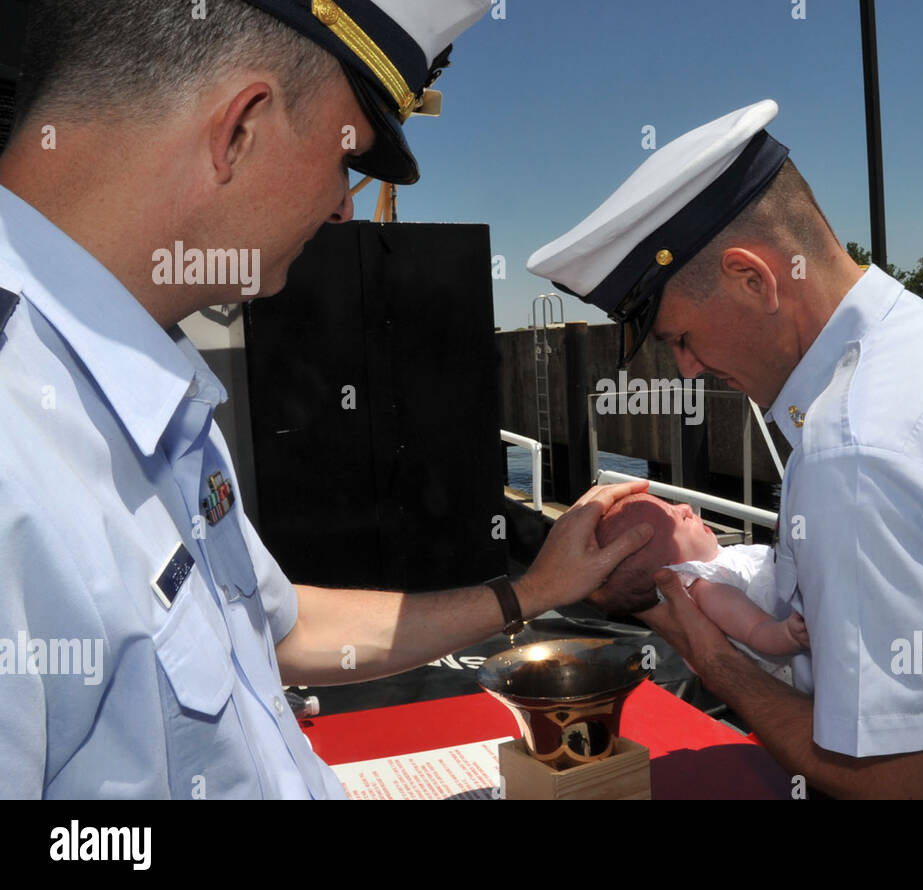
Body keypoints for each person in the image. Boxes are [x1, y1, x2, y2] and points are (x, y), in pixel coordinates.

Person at [0, 0, 651, 799]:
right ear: (240, 126)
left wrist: (533, 590)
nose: (343, 204)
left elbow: (281, 629)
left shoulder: (144, 379)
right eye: (347, 157)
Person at [527, 99, 923, 799]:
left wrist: (711, 656)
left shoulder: (856, 451)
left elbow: (900, 785)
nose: (688, 371)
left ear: (753, 279)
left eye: (679, 339)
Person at [594, 492, 809, 659]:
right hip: (793, 635)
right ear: (674, 568)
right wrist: (789, 634)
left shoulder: (718, 564)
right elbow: (756, 630)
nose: (686, 507)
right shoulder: (710, 590)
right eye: (677, 518)